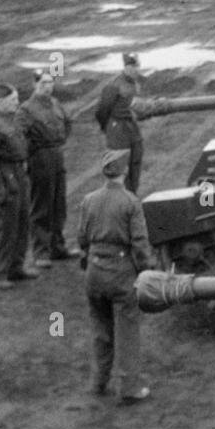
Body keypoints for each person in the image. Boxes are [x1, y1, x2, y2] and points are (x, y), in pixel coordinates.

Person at [76, 149, 152, 403]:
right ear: (125, 171)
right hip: (121, 273)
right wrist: (146, 270)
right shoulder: (130, 202)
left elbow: (82, 238)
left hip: (95, 271)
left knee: (100, 329)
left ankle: (98, 381)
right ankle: (130, 388)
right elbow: (139, 243)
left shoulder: (89, 200)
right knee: (127, 331)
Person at [0, 84, 36, 290]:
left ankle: (15, 267)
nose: (17, 103)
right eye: (12, 100)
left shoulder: (8, 120)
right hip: (8, 176)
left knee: (23, 223)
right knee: (9, 227)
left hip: (19, 174)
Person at [19, 71, 74, 266]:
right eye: (43, 83)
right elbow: (20, 135)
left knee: (59, 204)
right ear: (35, 84)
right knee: (42, 205)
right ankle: (41, 252)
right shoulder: (26, 109)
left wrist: (58, 141)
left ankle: (57, 247)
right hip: (39, 158)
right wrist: (30, 156)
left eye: (50, 83)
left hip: (56, 155)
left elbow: (67, 123)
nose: (48, 86)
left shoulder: (56, 104)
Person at [94, 52, 145, 194]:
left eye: (138, 66)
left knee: (135, 166)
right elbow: (102, 110)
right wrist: (109, 128)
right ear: (126, 67)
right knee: (119, 169)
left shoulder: (135, 84)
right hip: (118, 131)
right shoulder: (114, 85)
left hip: (132, 129)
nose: (137, 69)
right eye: (133, 66)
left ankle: (131, 198)